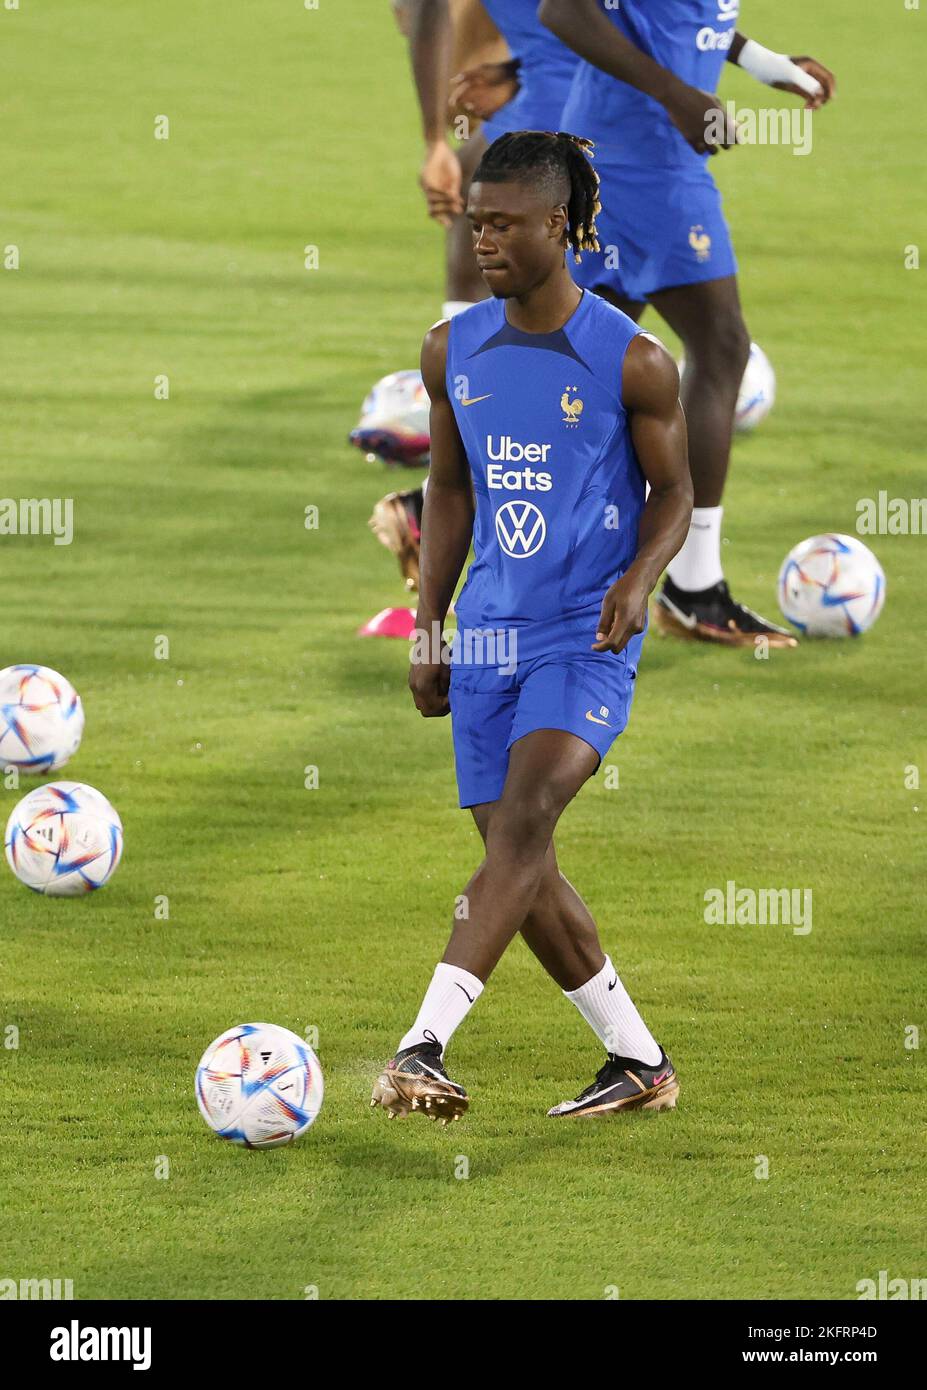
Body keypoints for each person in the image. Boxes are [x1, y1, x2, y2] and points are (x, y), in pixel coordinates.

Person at [371, 131, 693, 1123]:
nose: (486, 243)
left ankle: (420, 1045)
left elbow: (675, 491)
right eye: (478, 225)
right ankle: (637, 1063)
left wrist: (642, 580)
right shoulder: (452, 349)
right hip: (488, 636)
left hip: (584, 637)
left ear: (562, 225)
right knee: (523, 864)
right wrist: (430, 623)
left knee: (521, 827)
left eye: (506, 225)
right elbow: (452, 489)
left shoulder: (633, 360)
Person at [540, 0, 835, 646]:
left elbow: (680, 17)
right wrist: (677, 95)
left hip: (616, 151)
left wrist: (763, 63)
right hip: (645, 160)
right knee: (719, 344)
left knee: (586, 363)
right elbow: (562, 10)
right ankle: (692, 584)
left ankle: (532, 564)